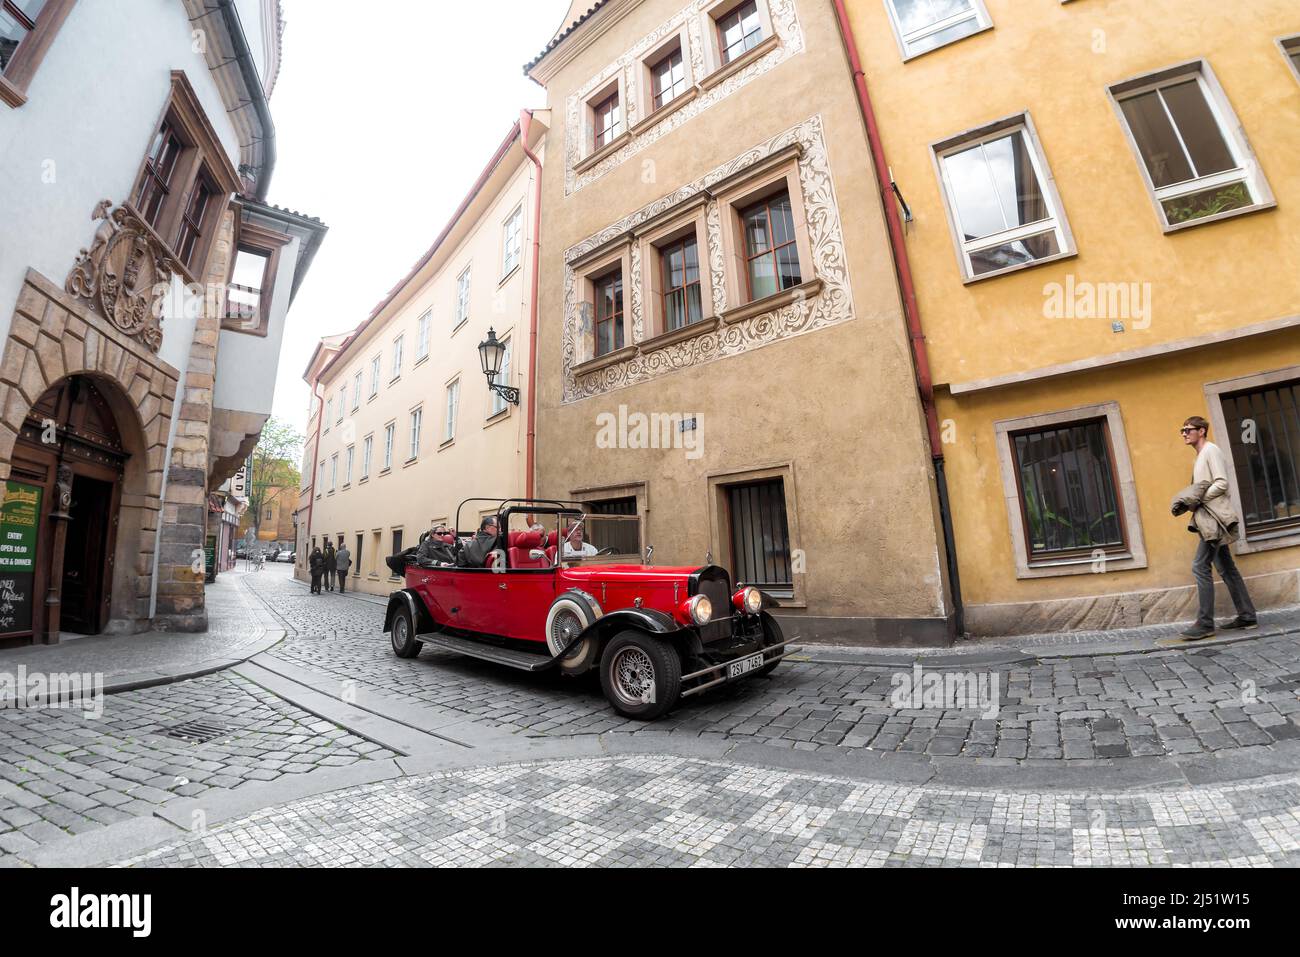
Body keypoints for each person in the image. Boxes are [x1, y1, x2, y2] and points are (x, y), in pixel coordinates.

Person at [1170, 415, 1256, 639]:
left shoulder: (1211, 450)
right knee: (1227, 568)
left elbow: (1222, 482)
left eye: (1188, 429)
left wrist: (1197, 498)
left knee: (1200, 566)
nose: (1184, 433)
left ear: (1202, 431)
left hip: (1214, 520)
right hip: (1209, 520)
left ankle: (1205, 623)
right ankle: (1247, 615)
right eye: (1183, 430)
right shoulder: (1199, 456)